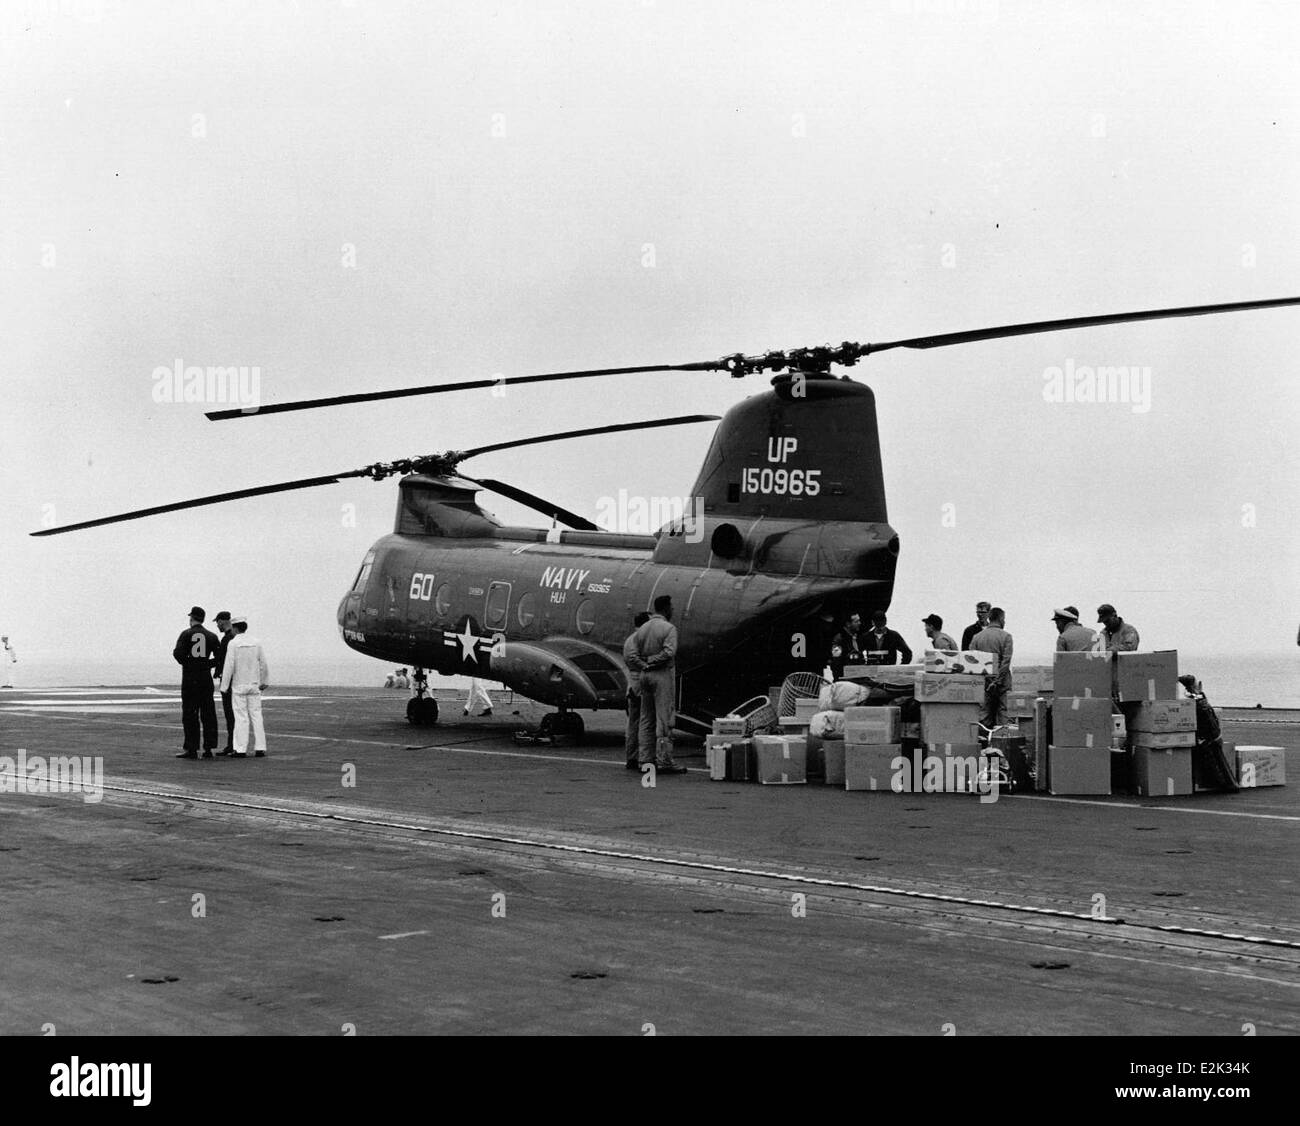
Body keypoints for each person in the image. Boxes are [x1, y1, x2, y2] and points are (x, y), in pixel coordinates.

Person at [635, 595, 686, 774]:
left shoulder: (643, 628)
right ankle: (665, 760)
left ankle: (644, 759)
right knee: (664, 719)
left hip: (644, 675)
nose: (673, 610)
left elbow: (633, 653)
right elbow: (669, 652)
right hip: (661, 674)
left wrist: (644, 664)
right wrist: (653, 660)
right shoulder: (669, 628)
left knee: (646, 718)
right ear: (666, 609)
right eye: (671, 607)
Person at [172, 606, 219, 759]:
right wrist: (206, 664)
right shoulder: (211, 636)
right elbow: (220, 657)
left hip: (190, 678)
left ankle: (191, 748)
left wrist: (189, 663)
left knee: (190, 714)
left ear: (191, 618)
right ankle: (209, 748)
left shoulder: (185, 634)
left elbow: (177, 654)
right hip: (205, 678)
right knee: (208, 713)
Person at [219, 616, 269, 757]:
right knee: (257, 716)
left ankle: (241, 749)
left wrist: (224, 686)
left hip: (239, 686)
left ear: (235, 628)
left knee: (241, 717)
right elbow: (263, 663)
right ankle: (260, 747)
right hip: (254, 685)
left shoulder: (233, 643)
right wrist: (264, 681)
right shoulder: (257, 642)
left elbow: (229, 666)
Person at [971, 607, 1014, 729]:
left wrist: (987, 681)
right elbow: (1005, 662)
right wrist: (997, 681)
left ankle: (982, 745)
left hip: (983, 683)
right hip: (1002, 684)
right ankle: (1001, 744)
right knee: (1003, 718)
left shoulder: (977, 637)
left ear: (989, 618)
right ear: (1001, 619)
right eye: (1004, 619)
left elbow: (972, 662)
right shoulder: (1006, 637)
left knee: (983, 717)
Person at [623, 611, 651, 770]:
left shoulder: (630, 639)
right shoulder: (639, 640)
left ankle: (632, 757)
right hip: (640, 684)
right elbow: (634, 658)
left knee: (633, 723)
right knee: (644, 723)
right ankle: (642, 758)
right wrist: (648, 665)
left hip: (633, 684)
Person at [212, 611, 237, 755]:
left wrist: (217, 672)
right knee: (236, 714)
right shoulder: (235, 637)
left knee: (230, 713)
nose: (217, 625)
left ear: (222, 621)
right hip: (238, 679)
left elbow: (224, 660)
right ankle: (233, 743)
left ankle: (232, 744)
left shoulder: (227, 639)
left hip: (228, 681)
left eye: (217, 622)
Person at [827, 612, 866, 679]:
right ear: (848, 624)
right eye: (856, 621)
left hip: (857, 676)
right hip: (845, 678)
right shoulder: (839, 639)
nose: (859, 623)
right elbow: (836, 661)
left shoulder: (857, 637)